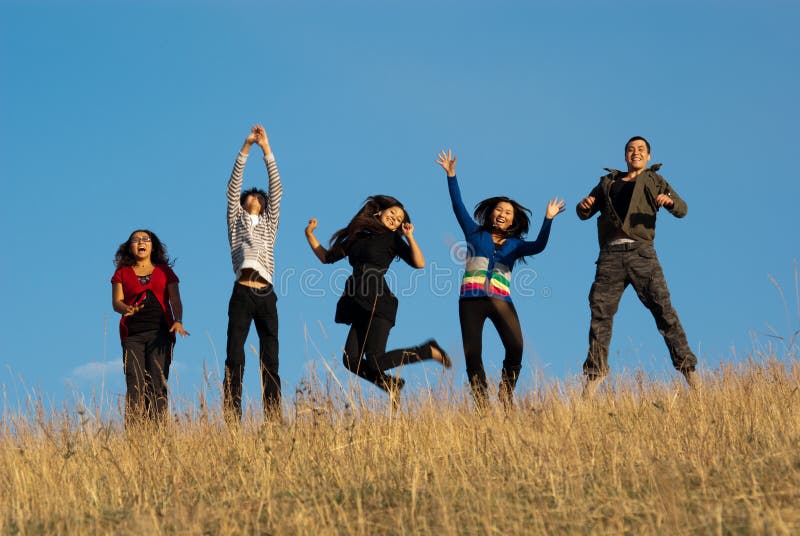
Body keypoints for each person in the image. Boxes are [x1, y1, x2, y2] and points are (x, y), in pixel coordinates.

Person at [436, 149, 565, 409]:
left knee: (516, 346)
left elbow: (539, 245)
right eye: (498, 209)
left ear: (512, 221)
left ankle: (506, 395)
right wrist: (451, 176)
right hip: (470, 301)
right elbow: (458, 206)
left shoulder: (516, 245)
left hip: (501, 301)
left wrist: (548, 219)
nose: (502, 213)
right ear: (491, 214)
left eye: (507, 212)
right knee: (473, 355)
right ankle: (483, 405)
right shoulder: (475, 233)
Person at [576, 136, 699, 398]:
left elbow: (682, 209)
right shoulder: (608, 182)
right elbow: (585, 211)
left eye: (641, 149)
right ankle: (593, 380)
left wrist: (669, 202)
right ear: (625, 156)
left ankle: (690, 373)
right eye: (631, 149)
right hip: (610, 256)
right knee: (600, 314)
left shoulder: (654, 180)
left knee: (663, 310)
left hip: (641, 253)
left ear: (649, 156)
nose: (636, 153)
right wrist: (583, 205)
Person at [304, 195, 451, 404]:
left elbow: (419, 263)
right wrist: (309, 234)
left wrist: (409, 237)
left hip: (378, 301)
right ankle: (390, 384)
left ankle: (427, 351)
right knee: (350, 359)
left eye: (399, 218)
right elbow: (326, 257)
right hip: (357, 300)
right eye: (392, 212)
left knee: (374, 361)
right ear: (379, 212)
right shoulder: (358, 236)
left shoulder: (393, 239)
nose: (395, 218)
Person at [225, 124, 283, 421]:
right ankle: (232, 416)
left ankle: (273, 417)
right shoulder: (236, 222)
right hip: (242, 291)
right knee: (235, 355)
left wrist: (267, 149)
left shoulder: (269, 226)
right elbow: (233, 186)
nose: (257, 199)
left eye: (262, 199)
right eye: (253, 197)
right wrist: (247, 147)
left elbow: (277, 189)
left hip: (266, 293)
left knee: (270, 358)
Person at [111, 229, 188, 425]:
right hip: (132, 336)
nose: (141, 242)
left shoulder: (164, 271)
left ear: (153, 245)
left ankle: (157, 433)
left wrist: (178, 320)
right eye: (136, 240)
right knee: (134, 384)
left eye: (145, 239)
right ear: (130, 247)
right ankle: (136, 435)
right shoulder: (121, 273)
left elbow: (175, 300)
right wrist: (127, 308)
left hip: (160, 333)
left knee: (157, 383)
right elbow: (116, 302)